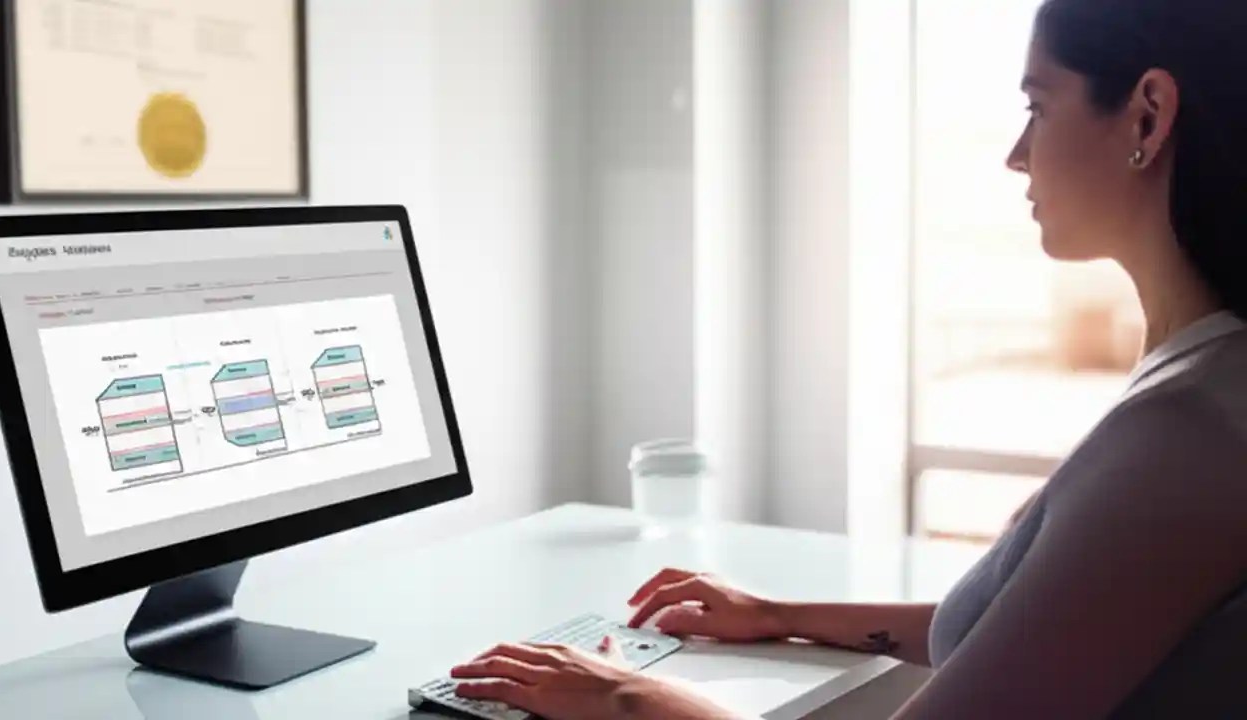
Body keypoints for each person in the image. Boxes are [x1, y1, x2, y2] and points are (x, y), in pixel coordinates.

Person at [448, 0, 1247, 716]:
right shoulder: (1201, 383)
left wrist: (631, 697)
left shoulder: (1186, 436)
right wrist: (780, 616)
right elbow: (1031, 630)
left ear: (1147, 118)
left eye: (1037, 106)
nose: (1016, 152)